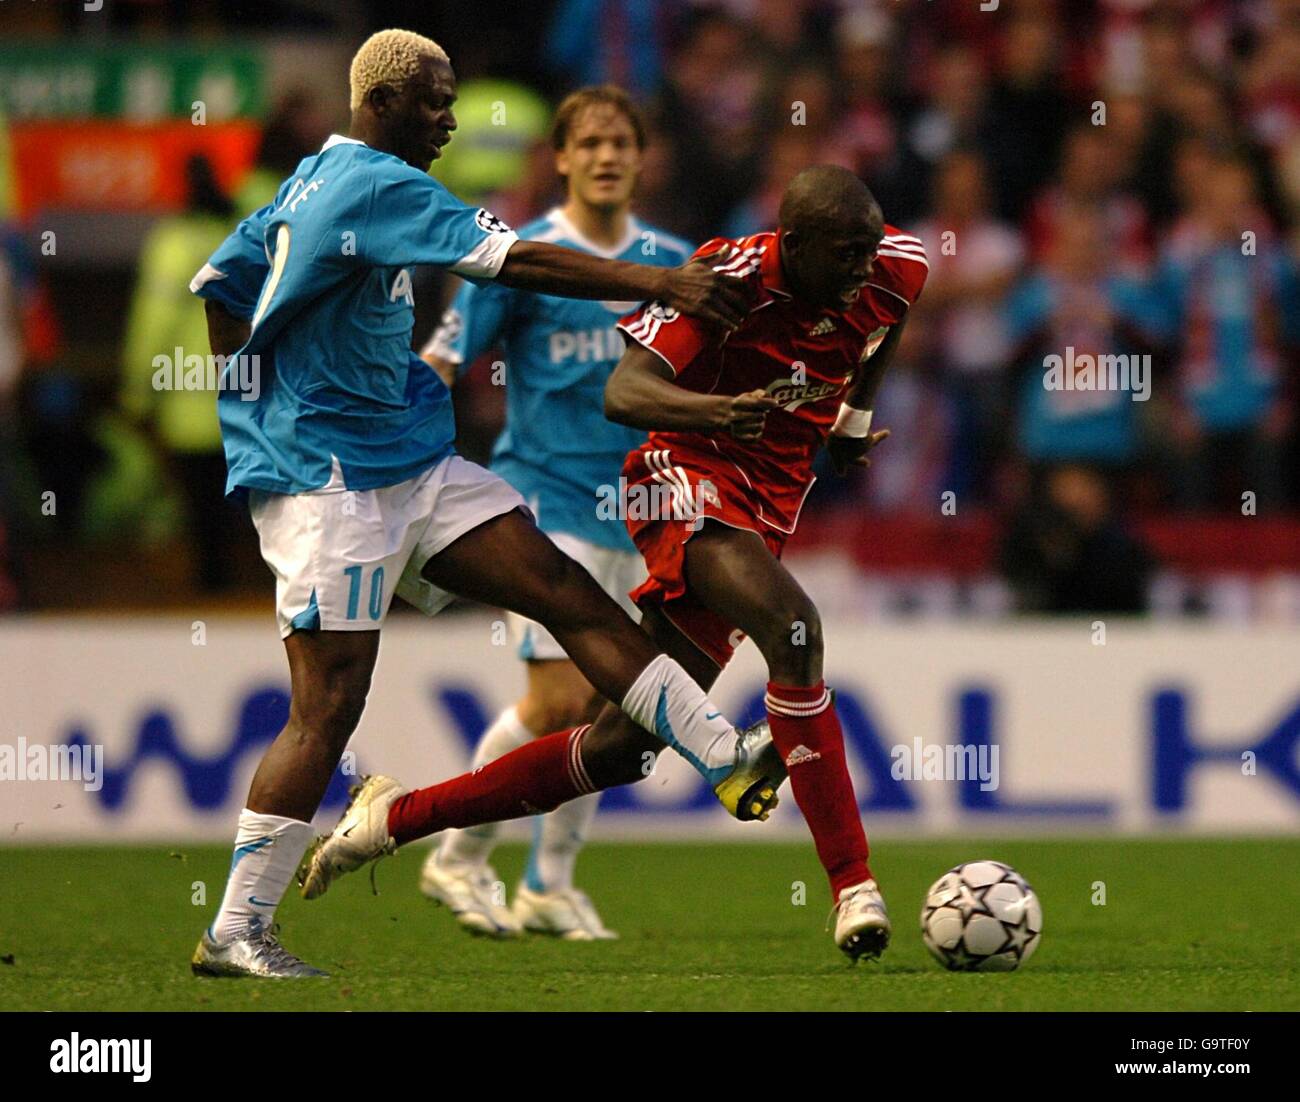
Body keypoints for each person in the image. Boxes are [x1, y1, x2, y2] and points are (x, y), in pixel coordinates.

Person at [187, 29, 780, 980]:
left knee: (564, 590)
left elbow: (221, 278)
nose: (452, 118)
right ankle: (233, 932)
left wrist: (249, 390)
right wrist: (657, 282)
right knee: (326, 708)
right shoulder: (380, 183)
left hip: (411, 461)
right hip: (330, 484)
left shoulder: (308, 183)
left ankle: (726, 756)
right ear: (381, 103)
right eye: (436, 99)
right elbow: (521, 264)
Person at [312, 165, 926, 963]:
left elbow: (893, 317)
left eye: (868, 253)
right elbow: (625, 392)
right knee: (795, 633)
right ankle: (854, 885)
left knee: (619, 750)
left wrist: (852, 420)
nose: (861, 270)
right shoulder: (726, 279)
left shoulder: (892, 264)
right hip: (681, 477)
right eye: (845, 256)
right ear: (794, 244)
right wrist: (720, 413)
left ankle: (393, 820)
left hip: (768, 502)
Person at [417, 86, 694, 941]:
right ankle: (455, 858)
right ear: (563, 159)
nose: (608, 155)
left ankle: (548, 882)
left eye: (622, 141)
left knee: (614, 712)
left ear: (642, 159)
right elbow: (450, 355)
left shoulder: (674, 261)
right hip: (544, 500)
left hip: (642, 511)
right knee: (557, 697)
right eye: (591, 143)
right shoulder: (523, 254)